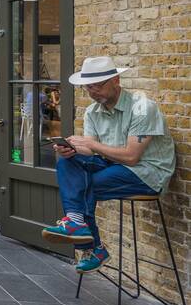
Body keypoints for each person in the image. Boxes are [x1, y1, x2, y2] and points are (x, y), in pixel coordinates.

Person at [42, 56, 176, 273]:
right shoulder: (92, 112)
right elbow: (90, 150)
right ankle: (77, 223)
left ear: (115, 80)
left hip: (147, 173)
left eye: (98, 85)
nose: (93, 91)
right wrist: (72, 149)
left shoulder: (142, 108)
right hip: (112, 165)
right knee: (67, 163)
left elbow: (132, 156)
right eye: (88, 87)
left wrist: (91, 144)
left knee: (85, 184)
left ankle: (92, 248)